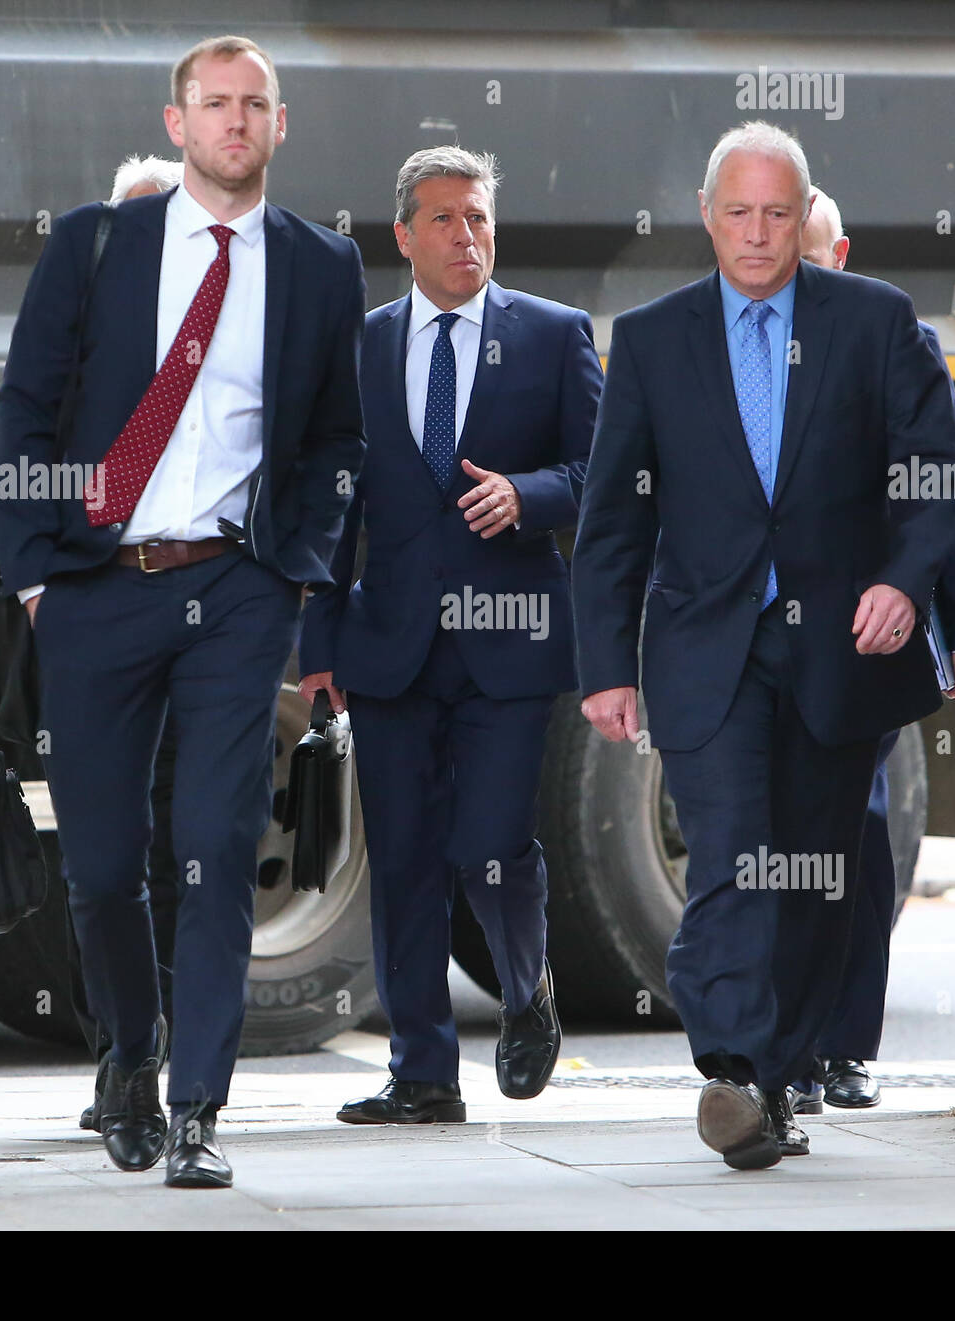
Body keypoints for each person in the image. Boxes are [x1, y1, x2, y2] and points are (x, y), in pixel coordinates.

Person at [0, 34, 365, 1187]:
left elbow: (341, 437)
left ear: (280, 125)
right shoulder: (95, 246)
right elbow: (27, 413)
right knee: (103, 867)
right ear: (177, 122)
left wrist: (294, 564)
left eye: (256, 105)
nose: (236, 122)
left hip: (234, 590)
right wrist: (41, 574)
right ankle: (129, 1058)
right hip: (99, 587)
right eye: (216, 104)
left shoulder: (319, 264)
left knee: (211, 844)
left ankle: (199, 1106)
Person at [571, 121, 955, 1169]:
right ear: (707, 216)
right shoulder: (653, 339)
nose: (757, 234)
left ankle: (778, 1075)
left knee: (815, 874)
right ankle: (735, 1071)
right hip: (710, 650)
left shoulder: (874, 322)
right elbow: (614, 518)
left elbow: (935, 479)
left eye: (778, 213)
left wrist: (901, 580)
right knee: (734, 857)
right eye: (738, 212)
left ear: (805, 219)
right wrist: (606, 665)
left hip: (840, 650)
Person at [299, 146, 602, 1124]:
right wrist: (319, 645)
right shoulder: (362, 347)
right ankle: (422, 1071)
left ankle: (526, 992)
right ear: (404, 235)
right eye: (443, 219)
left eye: (477, 217)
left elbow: (603, 481)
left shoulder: (554, 338)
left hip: (509, 646)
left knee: (489, 846)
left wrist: (528, 494)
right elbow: (330, 510)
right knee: (402, 856)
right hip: (388, 646)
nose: (465, 235)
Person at [0, 153, 188, 1135]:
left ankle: (157, 1058)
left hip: (196, 640)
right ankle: (118, 1056)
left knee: (183, 852)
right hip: (83, 649)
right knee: (101, 862)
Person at [787, 188, 955, 1112]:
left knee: (858, 834)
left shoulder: (892, 335)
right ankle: (775, 1042)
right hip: (759, 635)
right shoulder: (734, 343)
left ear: (841, 252)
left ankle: (841, 1047)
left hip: (866, 639)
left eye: (810, 249)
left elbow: (945, 485)